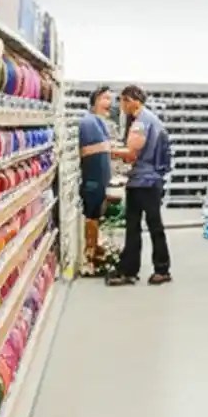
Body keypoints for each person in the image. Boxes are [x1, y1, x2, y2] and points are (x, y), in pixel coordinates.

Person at [107, 85, 172, 286]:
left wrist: (108, 150)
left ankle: (151, 269)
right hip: (149, 180)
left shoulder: (141, 122)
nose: (121, 106)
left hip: (144, 181)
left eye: (123, 101)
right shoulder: (150, 119)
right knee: (147, 226)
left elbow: (132, 153)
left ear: (133, 100)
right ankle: (144, 269)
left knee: (140, 226)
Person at [78, 86, 113, 275]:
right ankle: (88, 257)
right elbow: (86, 151)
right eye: (106, 98)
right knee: (91, 217)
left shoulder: (99, 122)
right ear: (96, 100)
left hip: (100, 180)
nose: (109, 103)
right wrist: (108, 147)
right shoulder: (88, 122)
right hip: (92, 179)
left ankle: (95, 251)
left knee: (96, 216)